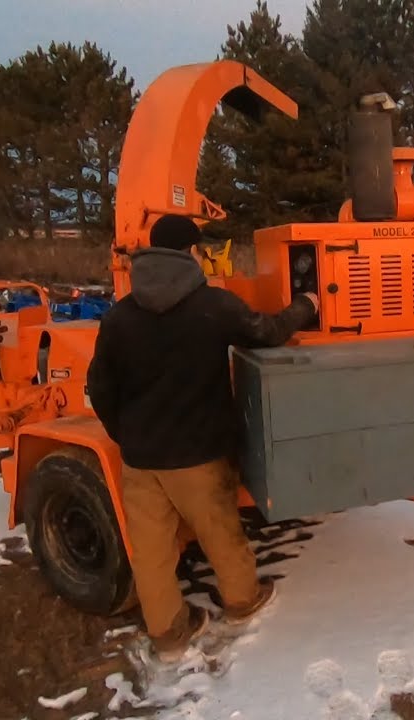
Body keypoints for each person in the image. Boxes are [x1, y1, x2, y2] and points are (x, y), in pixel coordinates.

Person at [86, 214, 319, 663]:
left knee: (151, 551)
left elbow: (100, 387)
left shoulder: (119, 316)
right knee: (220, 532)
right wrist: (306, 304)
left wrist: (127, 434)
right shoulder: (213, 306)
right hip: (199, 453)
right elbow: (267, 332)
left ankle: (170, 636)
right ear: (192, 253)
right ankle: (242, 602)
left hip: (141, 458)